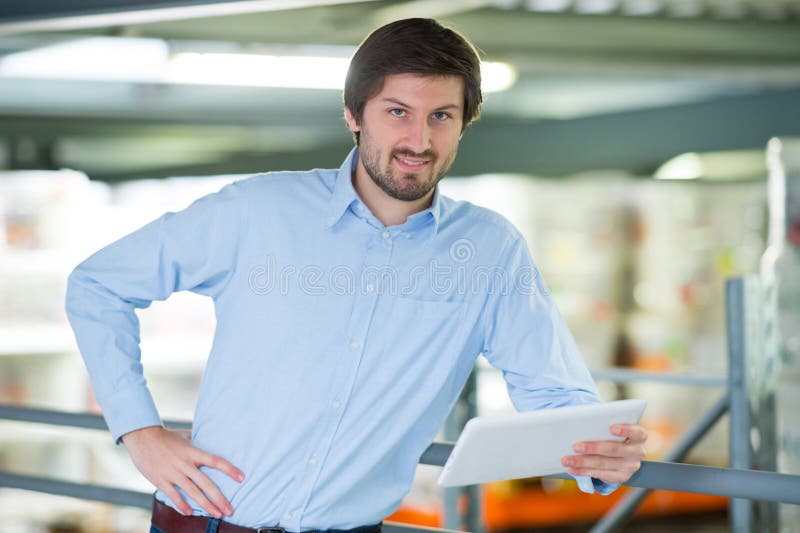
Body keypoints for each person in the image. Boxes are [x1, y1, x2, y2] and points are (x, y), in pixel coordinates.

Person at [65, 17, 647, 533]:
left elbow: (553, 389)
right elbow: (98, 285)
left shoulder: (491, 252)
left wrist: (600, 452)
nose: (419, 141)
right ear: (353, 114)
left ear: (463, 123)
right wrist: (139, 433)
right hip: (203, 527)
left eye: (441, 116)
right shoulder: (256, 210)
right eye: (398, 112)